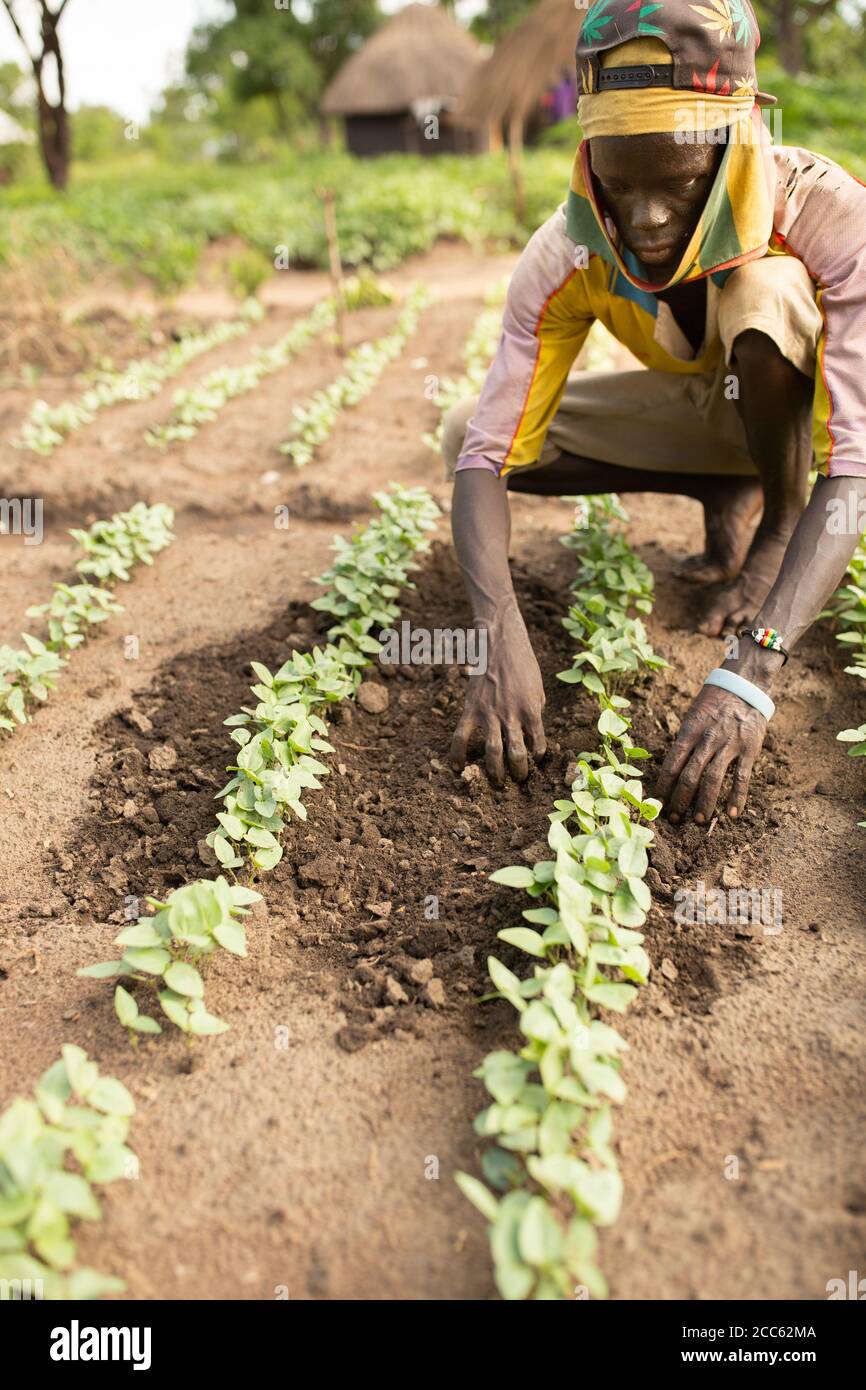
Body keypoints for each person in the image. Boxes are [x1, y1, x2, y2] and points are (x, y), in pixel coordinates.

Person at [445, 0, 866, 824]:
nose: (642, 218)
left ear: (734, 148)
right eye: (619, 182)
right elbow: (485, 459)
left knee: (767, 292)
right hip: (707, 408)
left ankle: (775, 523)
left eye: (677, 183)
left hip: (795, 417)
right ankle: (724, 488)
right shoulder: (565, 252)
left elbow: (856, 467)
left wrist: (752, 670)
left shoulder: (827, 214)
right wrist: (496, 631)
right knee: (461, 427)